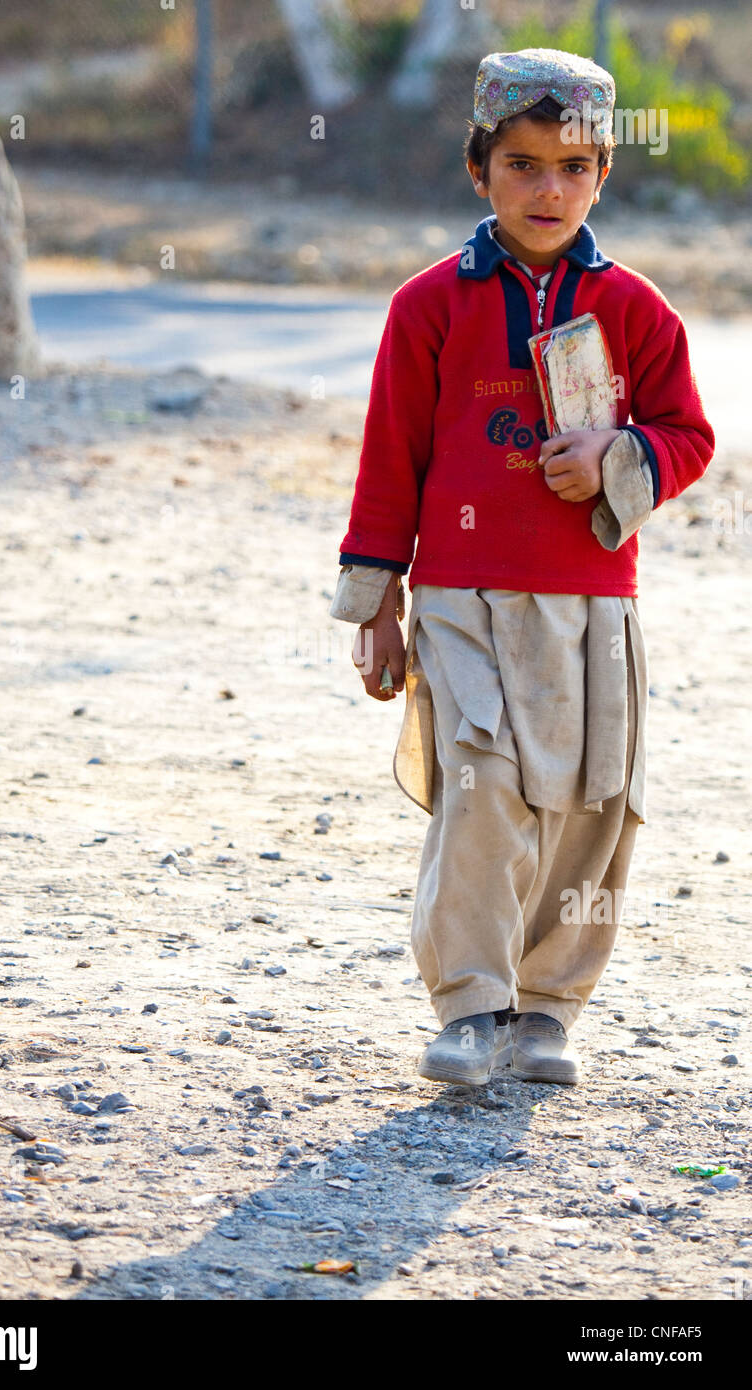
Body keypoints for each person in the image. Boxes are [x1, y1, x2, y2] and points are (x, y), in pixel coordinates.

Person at [329, 47, 715, 1087]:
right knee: (481, 782)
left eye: (571, 166)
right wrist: (376, 601)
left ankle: (544, 1009)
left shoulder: (635, 309)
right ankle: (470, 1004)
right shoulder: (427, 307)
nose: (547, 189)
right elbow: (389, 458)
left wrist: (615, 457)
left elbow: (688, 434)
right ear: (477, 170)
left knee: (591, 802)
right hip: (461, 601)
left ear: (601, 175)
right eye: (521, 164)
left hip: (592, 607)